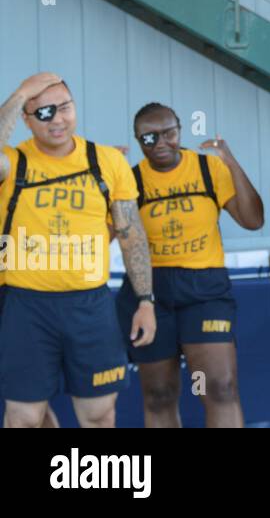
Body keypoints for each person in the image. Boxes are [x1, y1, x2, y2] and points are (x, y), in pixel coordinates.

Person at [0, 72, 155, 428]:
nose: (56, 119)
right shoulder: (13, 162)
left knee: (100, 415)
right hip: (26, 307)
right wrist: (23, 91)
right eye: (42, 112)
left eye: (64, 108)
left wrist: (146, 300)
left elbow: (132, 235)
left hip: (91, 306)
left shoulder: (107, 162)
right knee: (24, 418)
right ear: (25, 119)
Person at [120, 102, 264, 427]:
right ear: (138, 140)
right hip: (150, 292)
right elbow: (102, 236)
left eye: (169, 133)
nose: (160, 143)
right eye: (149, 137)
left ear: (180, 130)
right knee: (159, 394)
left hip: (204, 290)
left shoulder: (206, 169)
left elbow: (253, 219)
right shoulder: (129, 180)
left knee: (218, 387)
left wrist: (229, 161)